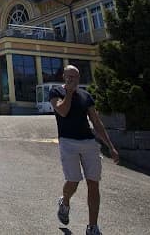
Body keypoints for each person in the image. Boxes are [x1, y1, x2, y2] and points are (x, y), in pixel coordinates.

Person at [49, 65, 119, 235]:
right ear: (64, 77)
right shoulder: (56, 92)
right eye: (69, 76)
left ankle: (92, 227)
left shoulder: (86, 96)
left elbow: (96, 122)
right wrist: (70, 93)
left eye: (75, 77)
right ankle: (65, 202)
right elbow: (62, 111)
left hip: (88, 142)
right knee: (73, 180)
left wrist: (110, 146)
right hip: (68, 142)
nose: (72, 79)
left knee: (93, 183)